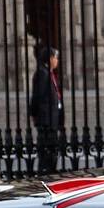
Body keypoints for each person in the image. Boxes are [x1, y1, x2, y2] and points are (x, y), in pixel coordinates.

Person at [28, 45, 64, 174]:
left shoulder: (47, 72)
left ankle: (50, 170)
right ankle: (45, 172)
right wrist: (35, 114)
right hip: (46, 120)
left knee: (52, 149)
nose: (57, 61)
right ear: (50, 58)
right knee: (47, 150)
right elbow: (38, 96)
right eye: (56, 58)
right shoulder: (42, 73)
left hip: (51, 119)